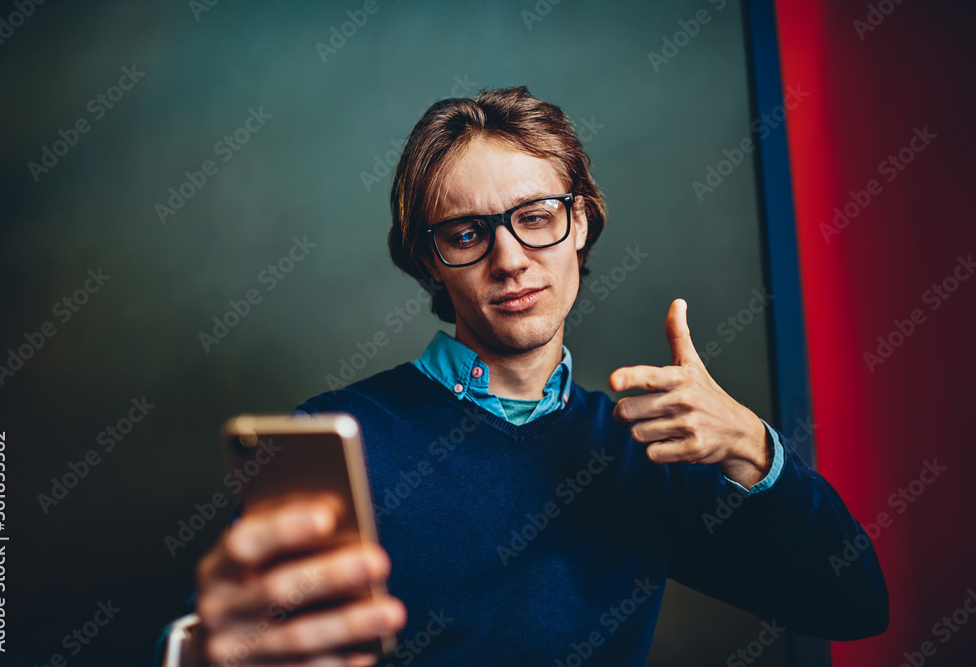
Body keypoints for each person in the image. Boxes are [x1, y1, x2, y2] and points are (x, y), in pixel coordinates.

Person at [153, 86, 888, 666]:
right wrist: (216, 648)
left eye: (537, 216)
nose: (509, 258)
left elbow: (853, 606)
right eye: (467, 233)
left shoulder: (651, 447)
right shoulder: (333, 442)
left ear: (583, 224)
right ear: (428, 261)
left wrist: (756, 451)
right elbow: (222, 640)